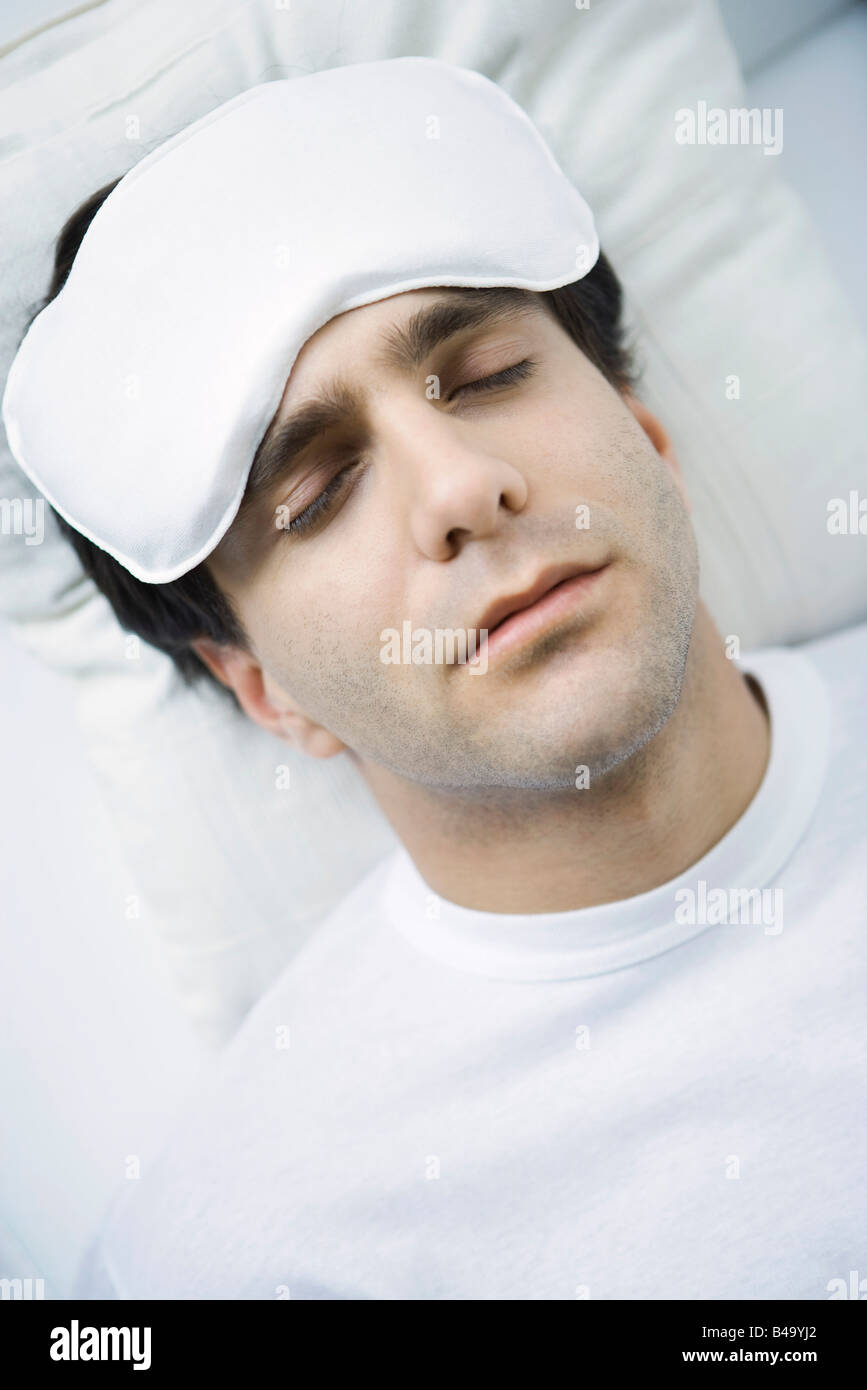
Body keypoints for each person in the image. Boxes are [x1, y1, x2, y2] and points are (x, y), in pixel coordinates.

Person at [5, 59, 866, 1301]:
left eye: (486, 376)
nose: (463, 487)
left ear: (649, 437)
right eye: (318, 492)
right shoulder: (240, 1261)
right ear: (262, 689)